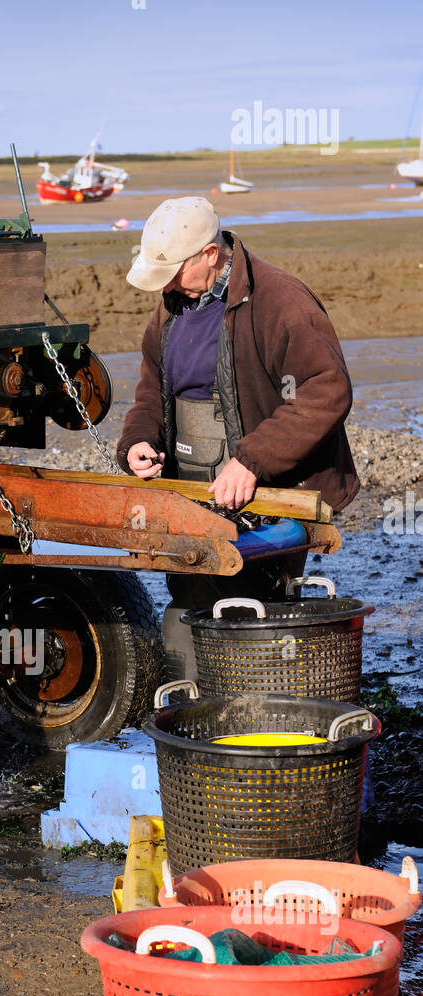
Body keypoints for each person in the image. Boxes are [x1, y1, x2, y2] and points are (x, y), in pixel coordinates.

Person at [117, 196, 358, 681]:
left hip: (268, 487)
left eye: (172, 270)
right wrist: (138, 440)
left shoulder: (280, 301)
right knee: (188, 592)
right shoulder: (172, 305)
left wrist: (251, 461)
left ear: (210, 254)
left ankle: (261, 710)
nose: (164, 284)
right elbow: (151, 388)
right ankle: (188, 705)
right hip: (191, 483)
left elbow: (326, 389)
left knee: (258, 601)